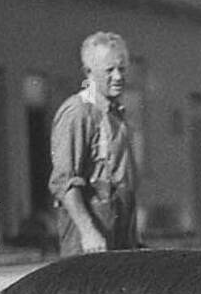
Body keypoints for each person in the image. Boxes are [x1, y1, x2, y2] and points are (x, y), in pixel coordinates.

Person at [49, 32, 139, 255]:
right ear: (89, 72)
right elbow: (64, 182)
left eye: (122, 68)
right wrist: (88, 231)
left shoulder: (116, 115)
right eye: (109, 70)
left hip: (118, 235)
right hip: (89, 242)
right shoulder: (78, 112)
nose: (118, 76)